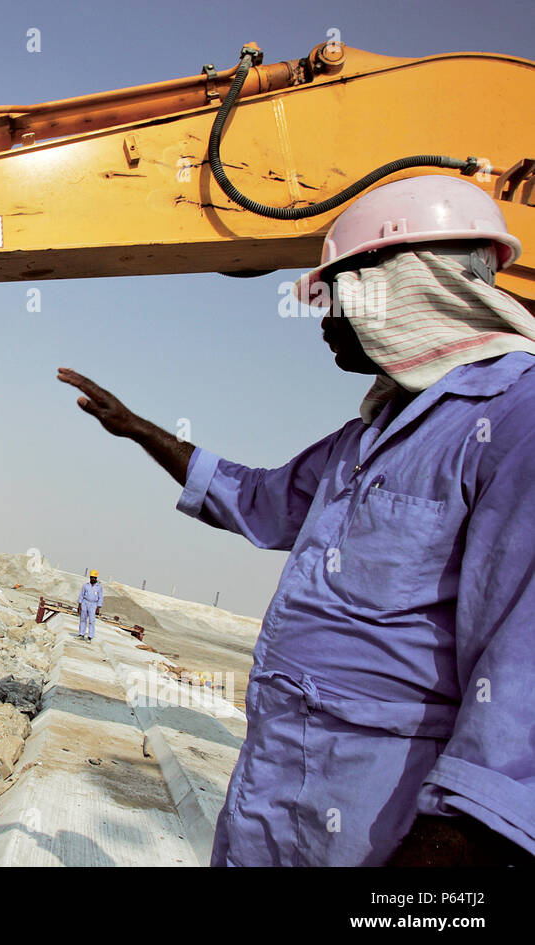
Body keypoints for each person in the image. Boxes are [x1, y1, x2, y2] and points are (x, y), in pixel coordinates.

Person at [58, 176, 535, 866]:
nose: (320, 320)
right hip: (277, 795)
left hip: (383, 822)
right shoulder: (366, 437)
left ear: (396, 288)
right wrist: (135, 428)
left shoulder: (514, 422)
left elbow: (521, 672)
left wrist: (453, 847)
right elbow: (253, 499)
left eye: (331, 298)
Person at [77, 570, 104, 640]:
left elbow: (100, 597)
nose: (93, 579)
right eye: (91, 577)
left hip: (93, 604)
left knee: (91, 621)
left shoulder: (99, 587)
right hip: (85, 603)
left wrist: (98, 607)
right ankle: (81, 634)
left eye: (94, 578)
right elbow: (81, 595)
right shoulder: (86, 586)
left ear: (96, 578)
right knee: (83, 619)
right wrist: (79, 605)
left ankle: (90, 636)